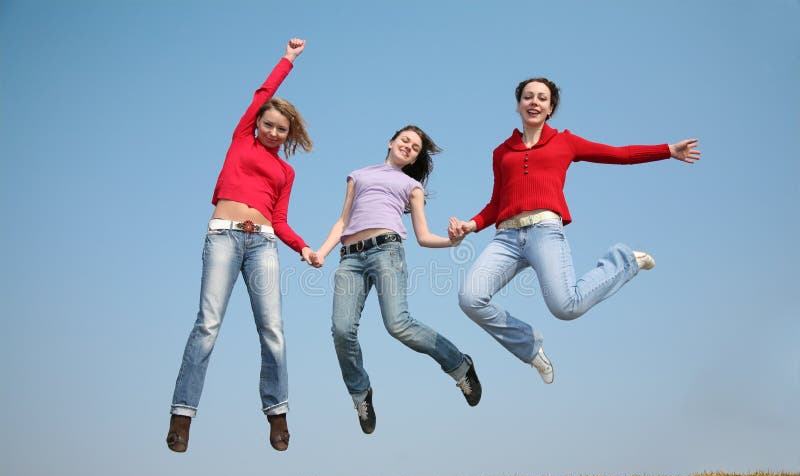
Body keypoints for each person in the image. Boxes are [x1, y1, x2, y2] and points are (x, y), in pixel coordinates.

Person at [449, 77, 700, 384]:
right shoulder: (502, 152)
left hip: (545, 231)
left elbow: (619, 154)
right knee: (470, 297)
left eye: (542, 98)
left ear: (550, 107)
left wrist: (667, 150)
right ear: (518, 105)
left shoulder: (564, 142)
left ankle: (626, 261)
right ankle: (529, 347)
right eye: (528, 97)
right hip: (507, 238)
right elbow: (496, 202)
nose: (534, 102)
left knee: (566, 308)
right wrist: (471, 224)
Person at [167, 38, 315, 453]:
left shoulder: (286, 172)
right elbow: (262, 95)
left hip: (264, 244)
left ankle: (277, 415)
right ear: (257, 124)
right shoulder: (241, 140)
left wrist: (303, 248)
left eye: (280, 128)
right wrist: (287, 60)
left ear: (289, 134)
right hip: (223, 237)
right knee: (208, 324)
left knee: (273, 330)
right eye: (268, 124)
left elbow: (281, 221)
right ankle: (182, 415)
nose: (272, 131)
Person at [312, 125, 481, 434]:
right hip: (350, 257)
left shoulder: (410, 186)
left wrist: (452, 242)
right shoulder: (358, 175)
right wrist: (321, 252)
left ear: (415, 157)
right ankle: (361, 393)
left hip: (387, 251)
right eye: (405, 140)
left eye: (415, 147)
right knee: (341, 330)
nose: (409, 147)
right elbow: (343, 221)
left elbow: (424, 236)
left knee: (398, 324)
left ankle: (459, 365)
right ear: (390, 142)